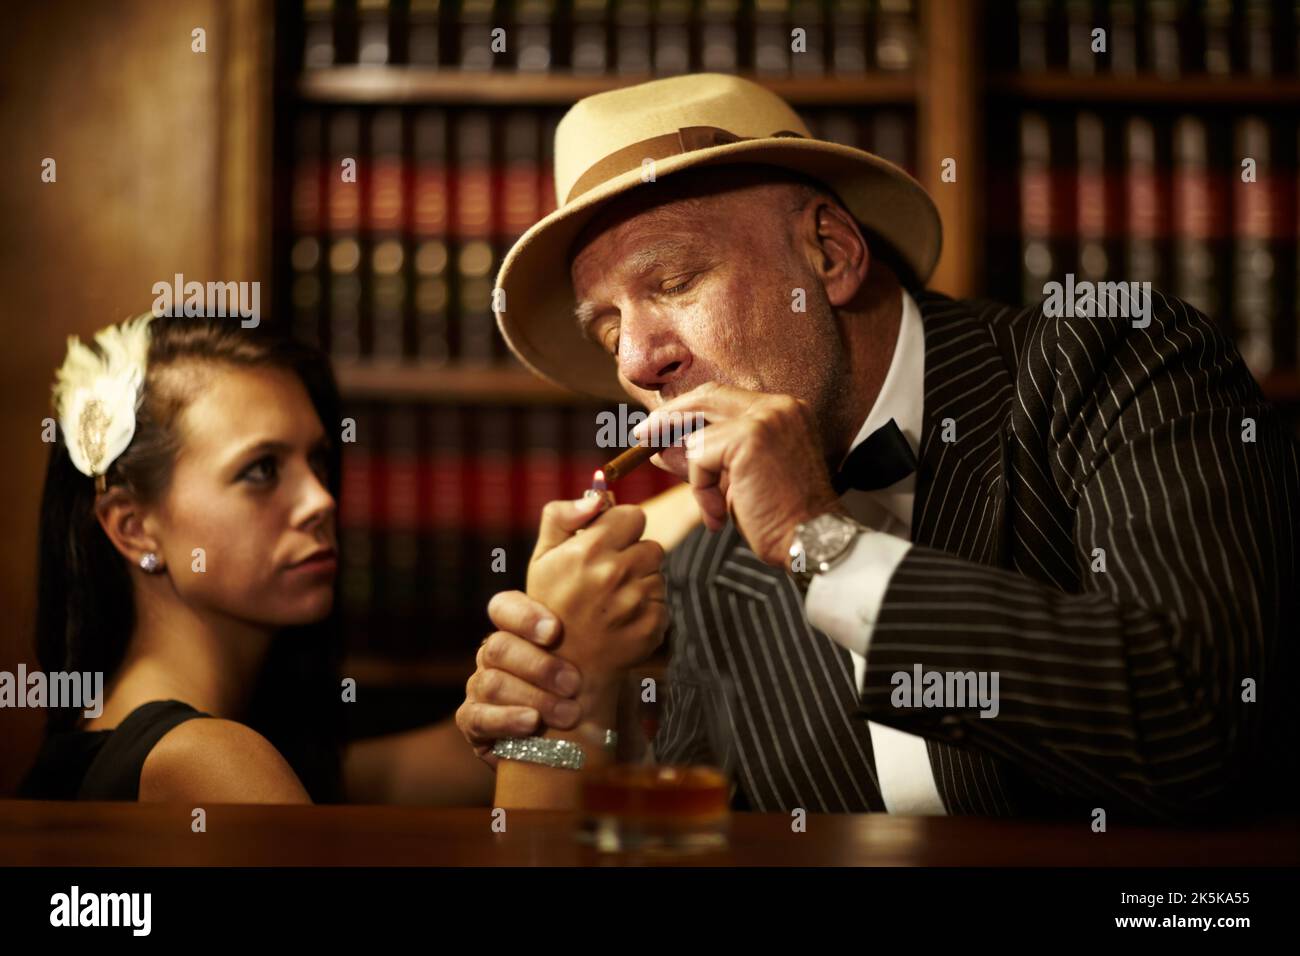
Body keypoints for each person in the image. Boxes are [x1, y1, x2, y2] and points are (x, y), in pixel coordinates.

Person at [457, 73, 1300, 823]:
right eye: (607, 330)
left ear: (829, 253)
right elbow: (696, 837)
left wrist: (820, 543)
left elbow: (1200, 726)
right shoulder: (711, 569)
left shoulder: (1116, 362)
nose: (638, 361)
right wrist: (562, 726)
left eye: (673, 283)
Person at [19, 313, 665, 805]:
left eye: (319, 461)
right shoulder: (205, 762)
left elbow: (448, 760)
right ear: (133, 529)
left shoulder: (212, 745)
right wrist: (571, 681)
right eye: (261, 470)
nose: (320, 500)